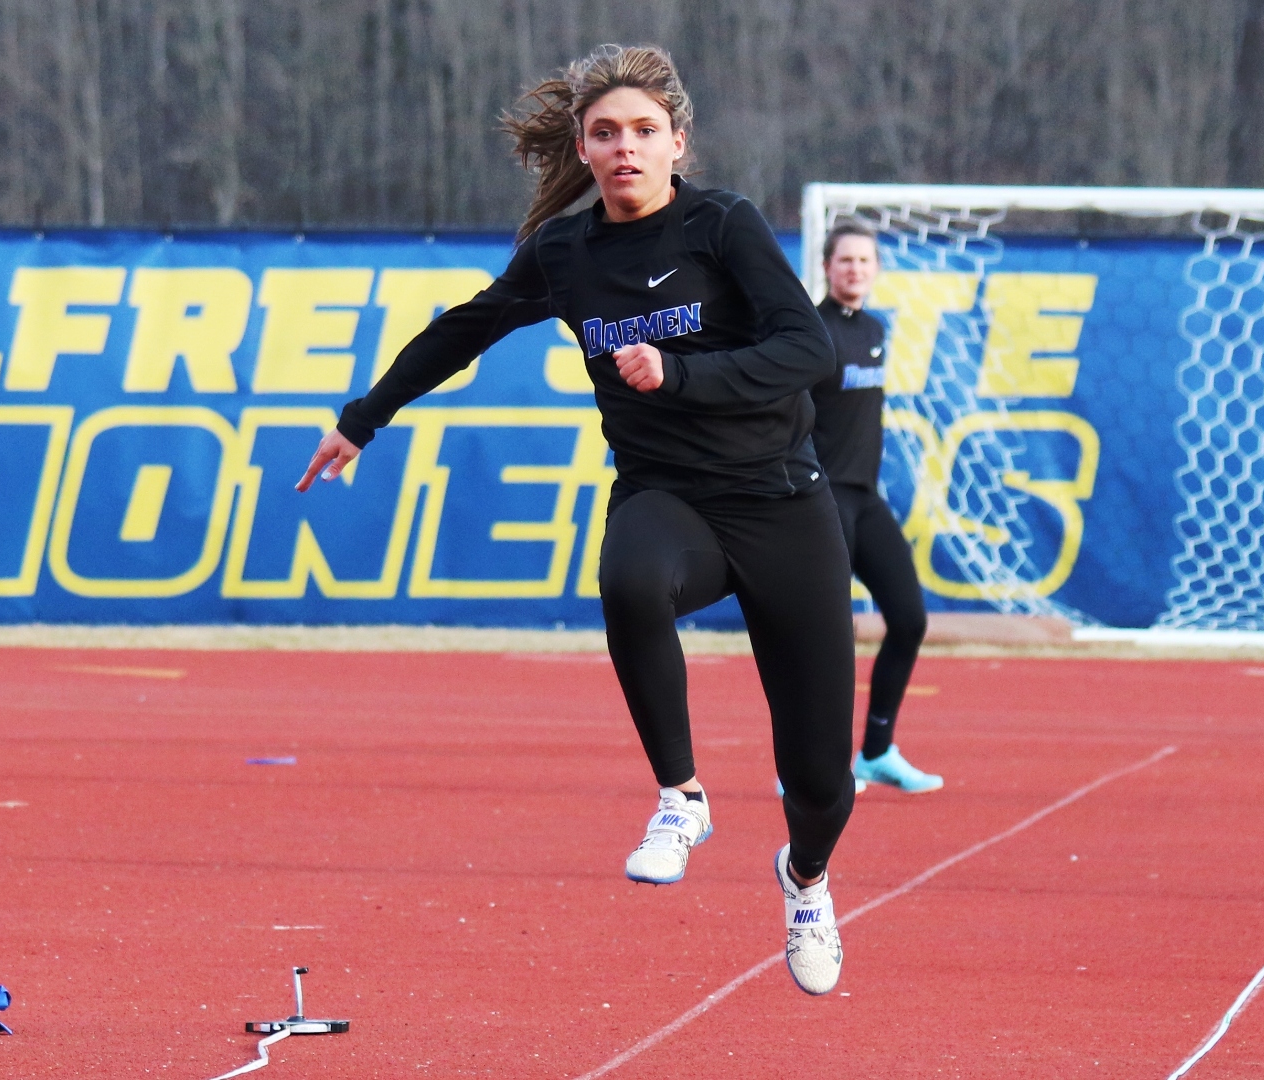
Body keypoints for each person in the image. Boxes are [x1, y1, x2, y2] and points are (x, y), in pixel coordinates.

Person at [297, 45, 854, 995]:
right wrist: (364, 418)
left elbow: (807, 348)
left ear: (678, 143)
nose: (626, 148)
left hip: (782, 502)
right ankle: (681, 798)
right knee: (629, 575)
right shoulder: (566, 251)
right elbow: (464, 327)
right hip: (668, 495)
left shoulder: (723, 225)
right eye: (607, 134)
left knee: (821, 781)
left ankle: (805, 879)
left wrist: (681, 373)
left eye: (644, 131)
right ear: (584, 152)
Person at [810, 222, 943, 793]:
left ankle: (877, 751)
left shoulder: (875, 329)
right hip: (820, 499)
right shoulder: (810, 332)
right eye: (845, 260)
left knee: (909, 619)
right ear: (827, 266)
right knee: (824, 637)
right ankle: (810, 769)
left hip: (865, 497)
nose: (855, 269)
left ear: (876, 269)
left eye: (865, 260)